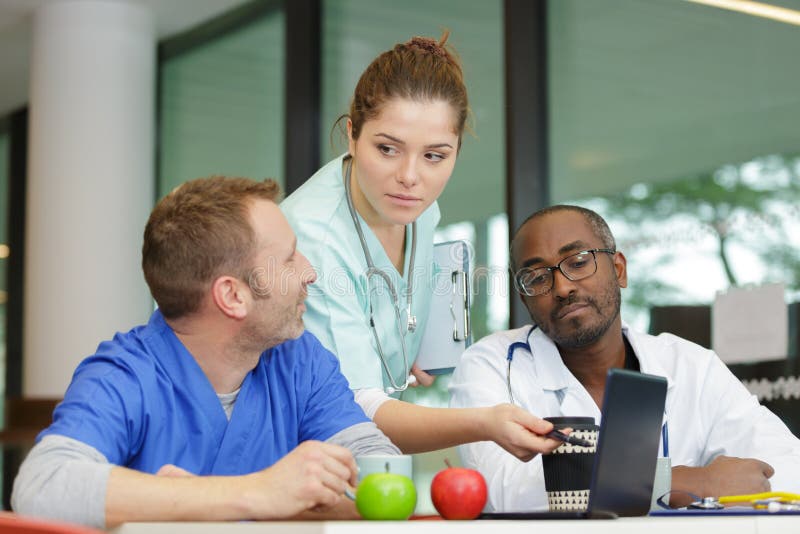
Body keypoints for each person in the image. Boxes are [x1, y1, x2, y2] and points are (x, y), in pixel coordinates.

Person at [12, 177, 400, 528]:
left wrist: (204, 500)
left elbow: (385, 476)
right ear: (233, 296)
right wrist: (259, 491)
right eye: (289, 258)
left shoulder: (300, 361)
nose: (310, 272)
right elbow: (42, 486)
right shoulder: (124, 374)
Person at [281, 33, 560, 458]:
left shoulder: (417, 209)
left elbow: (390, 306)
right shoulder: (314, 240)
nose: (410, 176)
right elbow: (354, 411)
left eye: (435, 155)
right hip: (299, 454)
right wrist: (486, 423)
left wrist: (396, 348)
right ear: (352, 135)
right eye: (388, 149)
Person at [449, 204, 800, 512]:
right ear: (525, 300)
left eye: (578, 261)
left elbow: (787, 467)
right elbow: (499, 489)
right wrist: (682, 483)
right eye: (537, 276)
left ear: (619, 270)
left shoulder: (691, 365)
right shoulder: (492, 364)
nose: (562, 287)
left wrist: (713, 484)